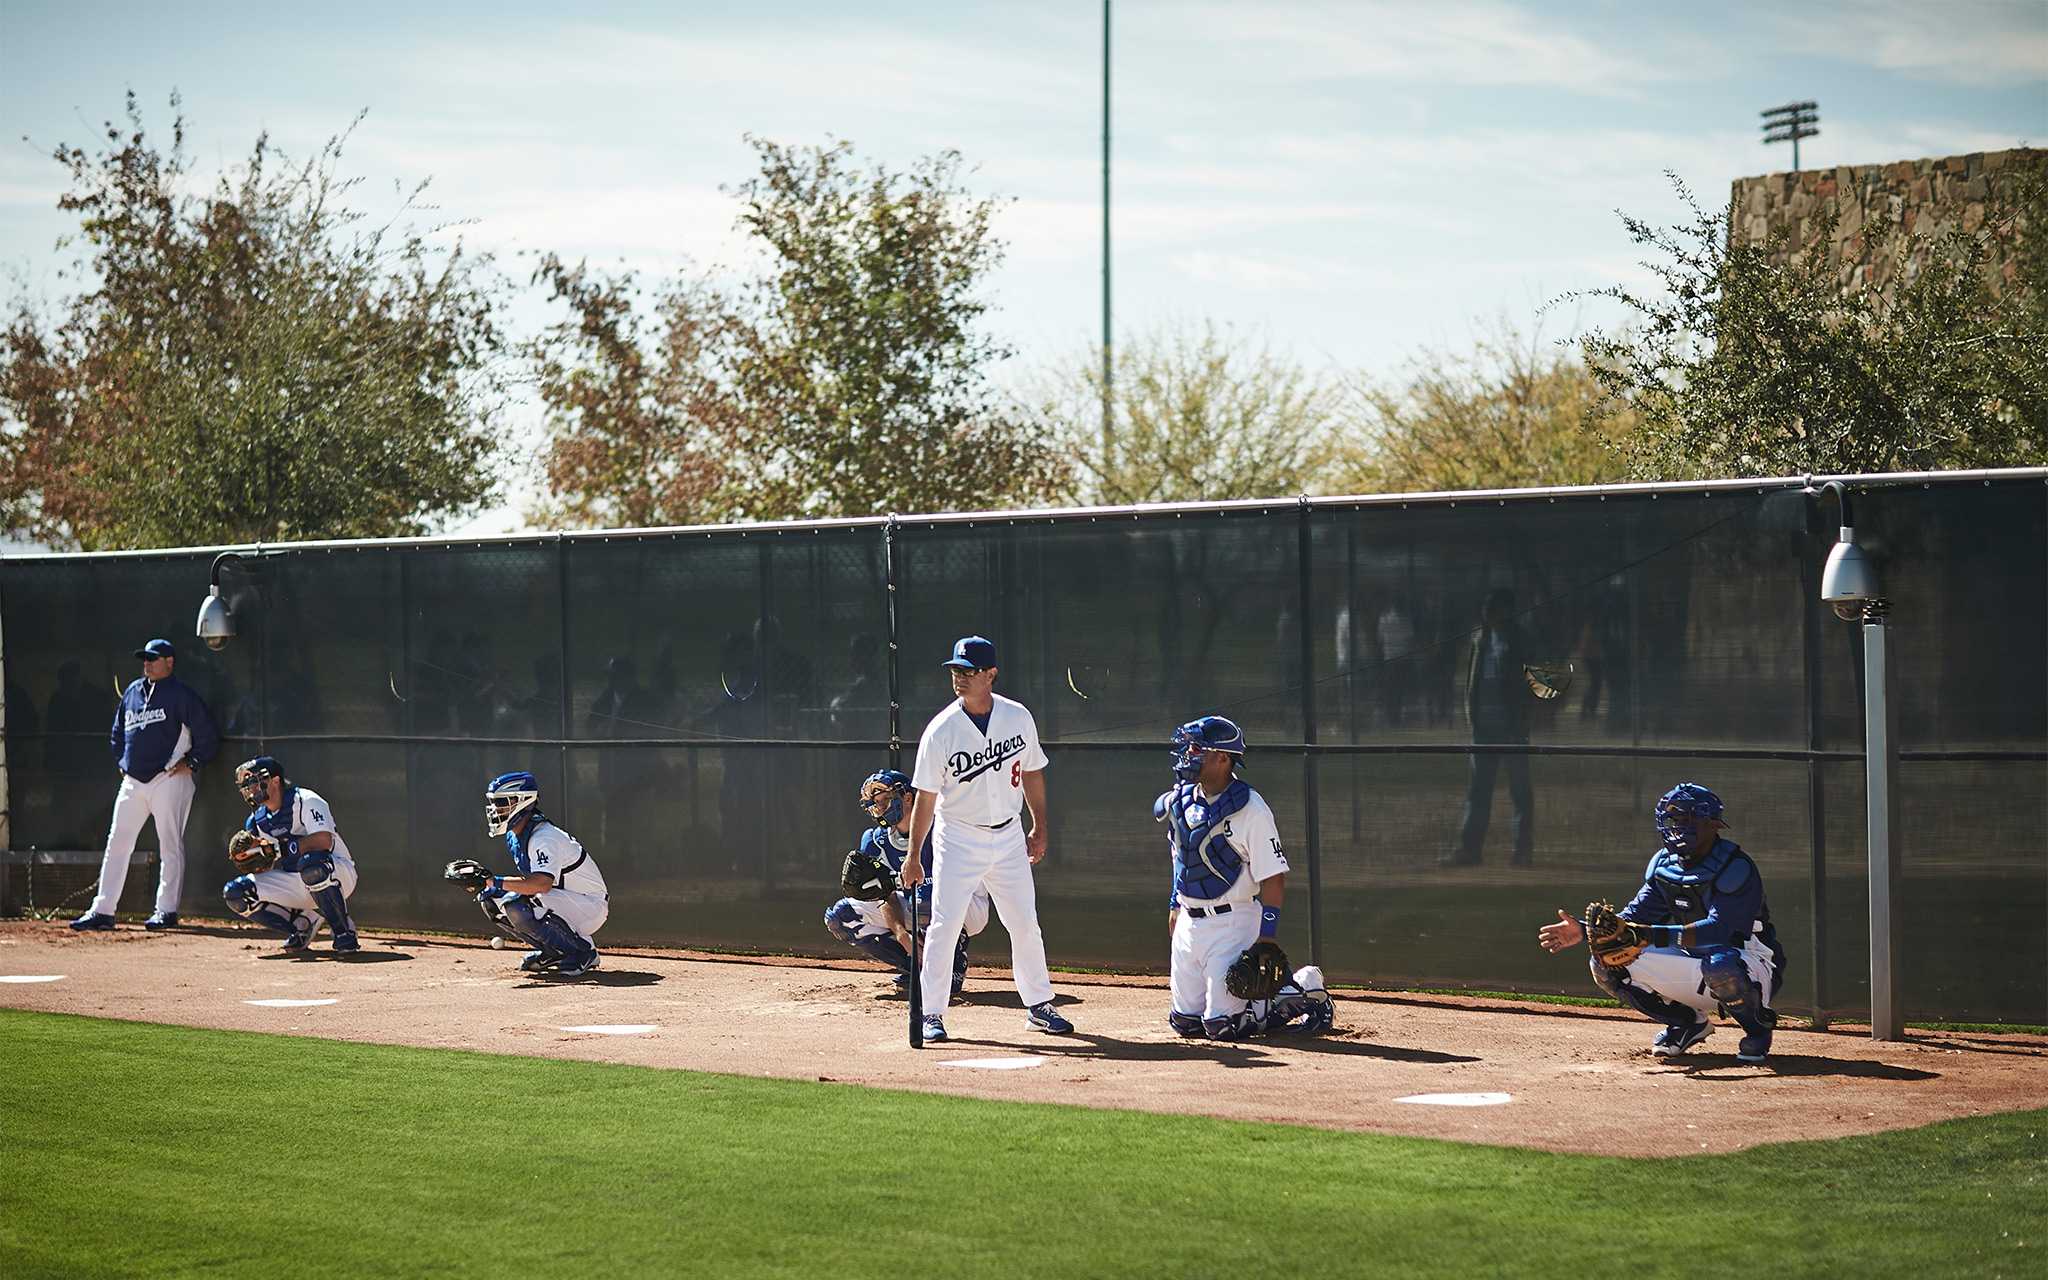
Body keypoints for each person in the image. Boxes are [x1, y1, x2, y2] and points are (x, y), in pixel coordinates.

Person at [1537, 783, 1787, 1063]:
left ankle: (1758, 1029)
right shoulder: (1665, 865)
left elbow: (1720, 931)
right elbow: (1633, 920)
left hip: (1749, 964)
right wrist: (1585, 931)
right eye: (1673, 820)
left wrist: (1647, 935)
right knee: (1606, 961)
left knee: (1720, 964)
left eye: (1686, 820)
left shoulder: (1736, 866)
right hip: (1693, 964)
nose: (1677, 828)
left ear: (1712, 824)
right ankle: (1687, 1022)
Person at [901, 636, 1071, 1041]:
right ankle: (933, 1014)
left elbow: (1032, 771)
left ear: (991, 675)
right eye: (955, 670)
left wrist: (1040, 827)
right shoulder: (941, 730)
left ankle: (1039, 1006)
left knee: (1025, 923)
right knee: (944, 924)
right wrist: (913, 856)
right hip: (958, 836)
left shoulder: (1017, 717)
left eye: (968, 671)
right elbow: (925, 798)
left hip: (1009, 835)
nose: (958, 677)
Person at [1155, 717, 1334, 1040]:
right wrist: (1174, 903)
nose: (1188, 754)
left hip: (1232, 923)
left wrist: (1267, 935)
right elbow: (1181, 858)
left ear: (1223, 759)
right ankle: (1266, 999)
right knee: (1185, 1023)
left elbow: (1273, 877)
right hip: (1189, 923)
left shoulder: (1251, 808)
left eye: (1198, 749)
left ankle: (1308, 989)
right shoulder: (1180, 802)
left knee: (1221, 1027)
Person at [71, 639, 219, 932]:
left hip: (169, 778)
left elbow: (207, 734)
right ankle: (103, 910)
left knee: (170, 845)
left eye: (154, 658)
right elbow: (118, 733)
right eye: (145, 658)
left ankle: (166, 910)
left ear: (170, 662)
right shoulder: (132, 691)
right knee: (117, 844)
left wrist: (191, 763)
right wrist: (123, 762)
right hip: (133, 782)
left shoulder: (181, 695)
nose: (147, 663)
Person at [823, 769, 989, 999]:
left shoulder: (942, 826)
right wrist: (902, 935)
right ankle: (914, 967)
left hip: (967, 905)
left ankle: (948, 967)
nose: (879, 807)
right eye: (875, 802)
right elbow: (884, 896)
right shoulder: (874, 840)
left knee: (924, 891)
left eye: (885, 799)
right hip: (915, 904)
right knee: (842, 917)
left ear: (908, 798)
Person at [461, 772, 609, 977]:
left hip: (589, 906)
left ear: (522, 801)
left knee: (516, 903)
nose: (496, 809)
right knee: (490, 898)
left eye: (502, 802)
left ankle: (583, 951)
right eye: (494, 803)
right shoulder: (517, 834)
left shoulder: (544, 836)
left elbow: (542, 884)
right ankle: (553, 951)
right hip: (564, 902)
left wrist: (493, 880)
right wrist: (485, 882)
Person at [222, 757, 361, 952]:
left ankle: (343, 931)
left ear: (275, 780)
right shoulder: (255, 822)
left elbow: (323, 841)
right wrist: (251, 861)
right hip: (297, 882)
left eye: (254, 780)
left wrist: (277, 850)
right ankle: (302, 924)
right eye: (246, 784)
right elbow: (264, 869)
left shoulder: (305, 800)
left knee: (311, 864)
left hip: (337, 873)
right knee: (237, 893)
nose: (251, 788)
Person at [1442, 587, 1537, 868]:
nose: (1487, 612)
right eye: (1485, 607)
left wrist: (1526, 713)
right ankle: (1469, 850)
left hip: (1511, 726)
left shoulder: (1520, 640)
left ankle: (1522, 850)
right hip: (1482, 727)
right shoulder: (1478, 638)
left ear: (1505, 609)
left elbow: (1531, 680)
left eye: (1492, 607)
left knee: (1519, 789)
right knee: (1478, 789)